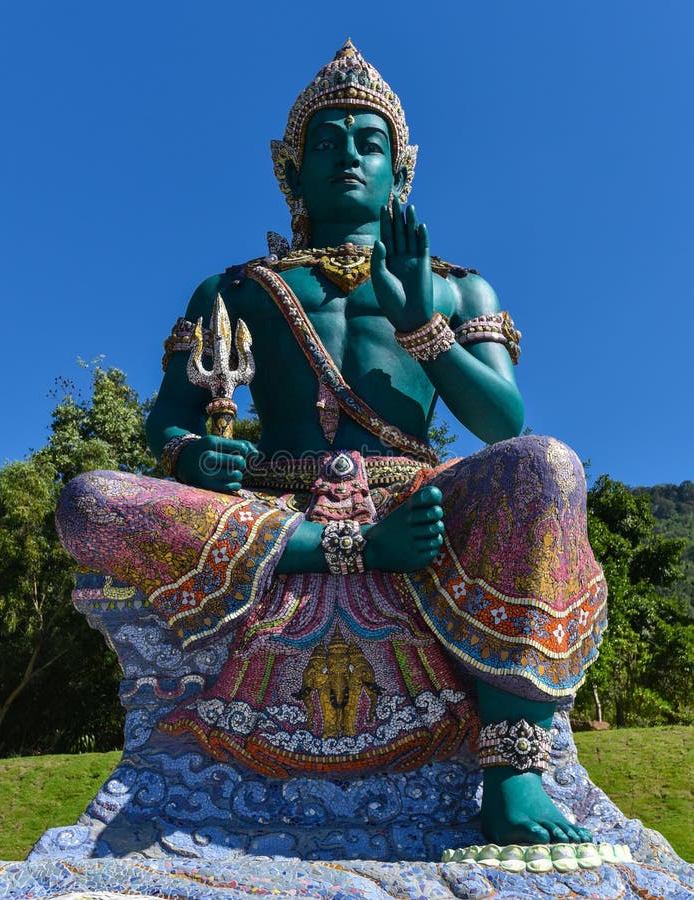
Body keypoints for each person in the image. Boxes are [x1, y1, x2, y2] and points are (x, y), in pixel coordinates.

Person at [57, 40, 607, 847]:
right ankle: (347, 549)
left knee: (544, 467)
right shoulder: (236, 288)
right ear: (290, 169)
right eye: (326, 143)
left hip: (417, 499)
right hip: (276, 504)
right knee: (90, 500)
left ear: (400, 170)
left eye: (368, 142)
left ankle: (511, 770)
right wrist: (189, 454)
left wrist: (421, 323)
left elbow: (501, 421)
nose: (348, 156)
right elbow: (168, 417)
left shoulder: (457, 287)